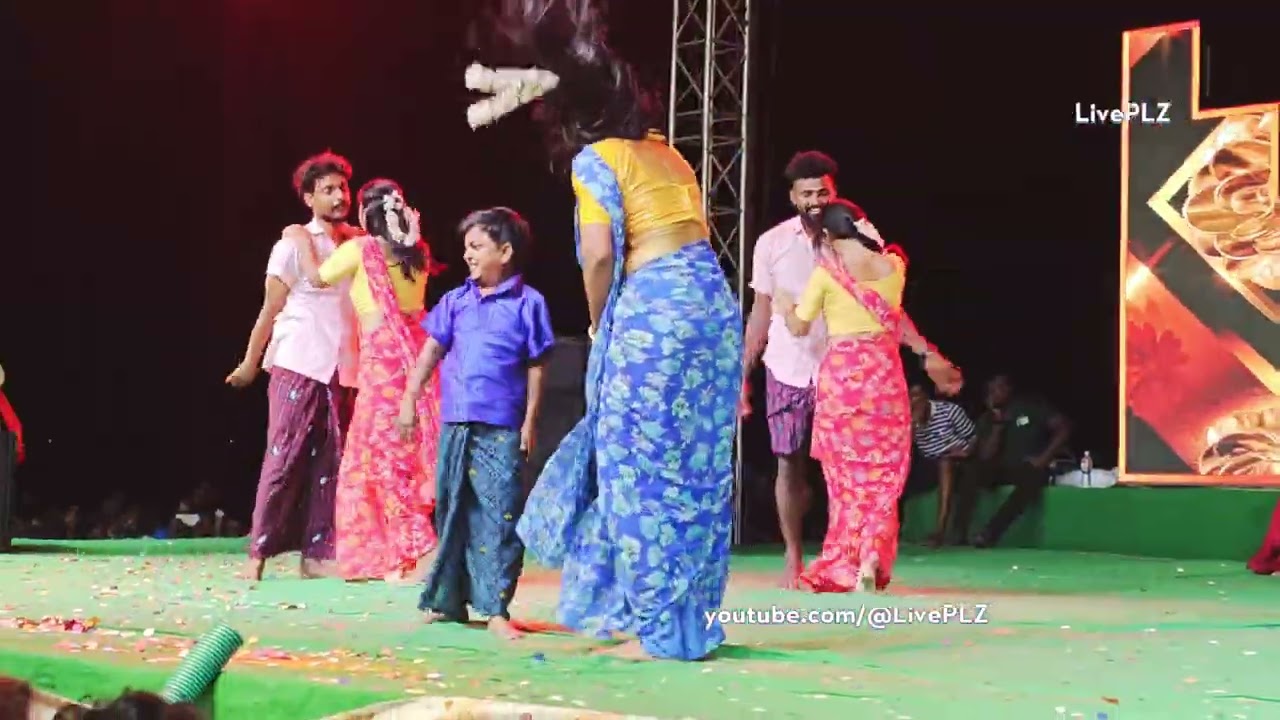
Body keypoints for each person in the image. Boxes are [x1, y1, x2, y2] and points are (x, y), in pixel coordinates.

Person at [473, 0, 743, 660]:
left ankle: (659, 631)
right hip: (711, 306)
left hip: (653, 312)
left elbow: (598, 255)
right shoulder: (670, 156)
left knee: (637, 470)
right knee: (696, 470)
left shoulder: (595, 160)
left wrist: (599, 322)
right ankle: (685, 621)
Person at [743, 151, 961, 586]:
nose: (814, 200)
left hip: (838, 372)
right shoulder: (772, 244)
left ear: (834, 193)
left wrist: (925, 351)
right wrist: (743, 373)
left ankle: (845, 556)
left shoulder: (851, 248)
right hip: (802, 367)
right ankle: (810, 555)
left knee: (843, 473)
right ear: (793, 197)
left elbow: (887, 312)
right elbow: (760, 312)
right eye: (806, 194)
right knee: (812, 464)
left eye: (822, 192)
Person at [396, 207, 554, 640]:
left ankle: (496, 608)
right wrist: (409, 398)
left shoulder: (529, 303)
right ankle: (449, 602)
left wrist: (530, 422)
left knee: (499, 514)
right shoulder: (455, 301)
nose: (467, 255)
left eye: (477, 246)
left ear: (505, 252)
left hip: (501, 426)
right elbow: (430, 351)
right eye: (466, 247)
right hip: (457, 422)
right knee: (452, 511)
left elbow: (537, 366)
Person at [286, 179, 442, 582]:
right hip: (420, 363)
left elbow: (316, 279)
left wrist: (300, 239)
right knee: (406, 452)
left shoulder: (360, 250)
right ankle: (396, 553)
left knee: (383, 456)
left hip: (384, 367)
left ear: (363, 214)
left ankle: (409, 552)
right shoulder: (418, 251)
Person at [226, 152, 360, 581]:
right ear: (308, 198)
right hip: (299, 360)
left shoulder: (356, 244)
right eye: (328, 190)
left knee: (332, 463)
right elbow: (269, 309)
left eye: (343, 188)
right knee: (283, 457)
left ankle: (318, 555)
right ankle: (258, 554)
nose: (339, 197)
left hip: (341, 366)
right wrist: (249, 363)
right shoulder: (292, 244)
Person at [951, 374, 1071, 548]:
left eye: (999, 388)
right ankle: (958, 533)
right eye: (991, 390)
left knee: (1034, 478)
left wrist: (1044, 458)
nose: (994, 393)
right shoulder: (987, 418)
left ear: (1009, 389)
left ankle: (990, 533)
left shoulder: (1030, 407)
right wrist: (998, 425)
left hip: (1027, 466)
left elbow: (1064, 428)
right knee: (971, 469)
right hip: (1000, 469)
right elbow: (985, 455)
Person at [907, 383, 976, 546]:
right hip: (928, 461)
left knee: (946, 463)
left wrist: (966, 452)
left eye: (917, 396)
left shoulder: (950, 411)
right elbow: (903, 449)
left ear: (926, 397)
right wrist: (912, 426)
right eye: (909, 397)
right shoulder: (906, 417)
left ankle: (940, 531)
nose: (913, 401)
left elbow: (973, 437)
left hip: (956, 460)